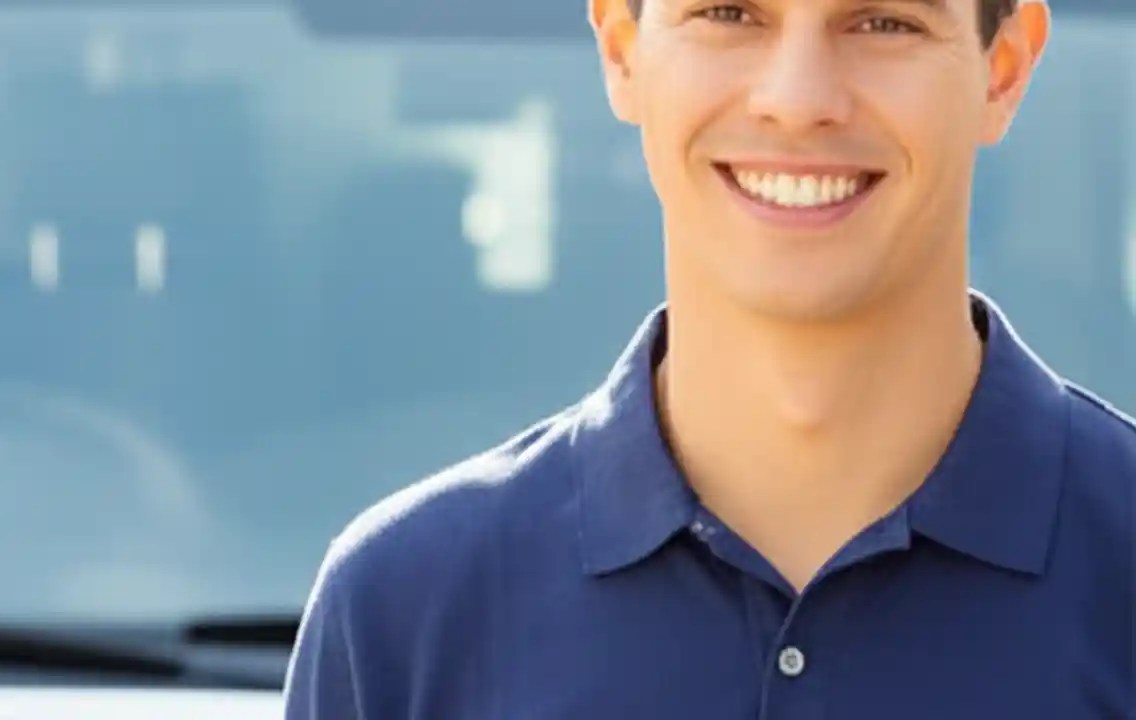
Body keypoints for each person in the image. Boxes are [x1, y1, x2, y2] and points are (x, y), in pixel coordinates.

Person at [283, 0, 1135, 716]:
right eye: (729, 13)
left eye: (884, 22)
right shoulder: (402, 613)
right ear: (622, 48)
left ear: (1004, 68)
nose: (797, 100)